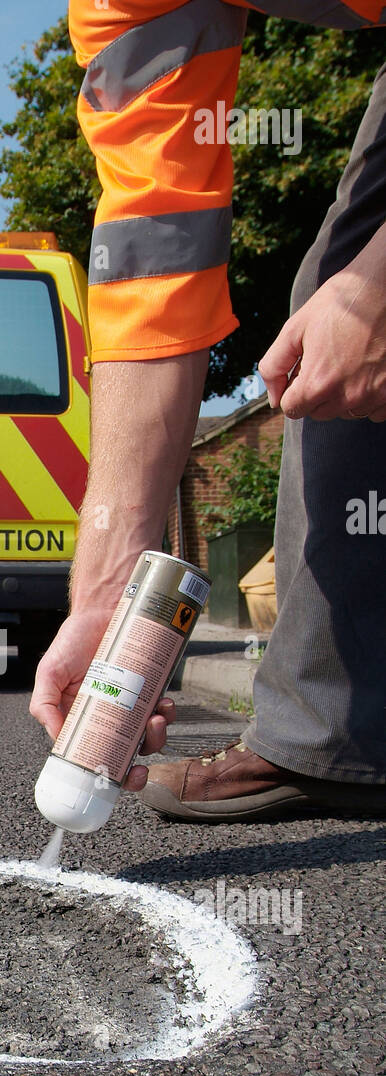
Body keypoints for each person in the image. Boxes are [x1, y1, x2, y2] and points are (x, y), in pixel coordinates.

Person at [30, 0, 386, 821]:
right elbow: (155, 250)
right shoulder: (124, 6)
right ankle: (334, 739)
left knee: (358, 293)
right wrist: (107, 590)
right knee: (329, 299)